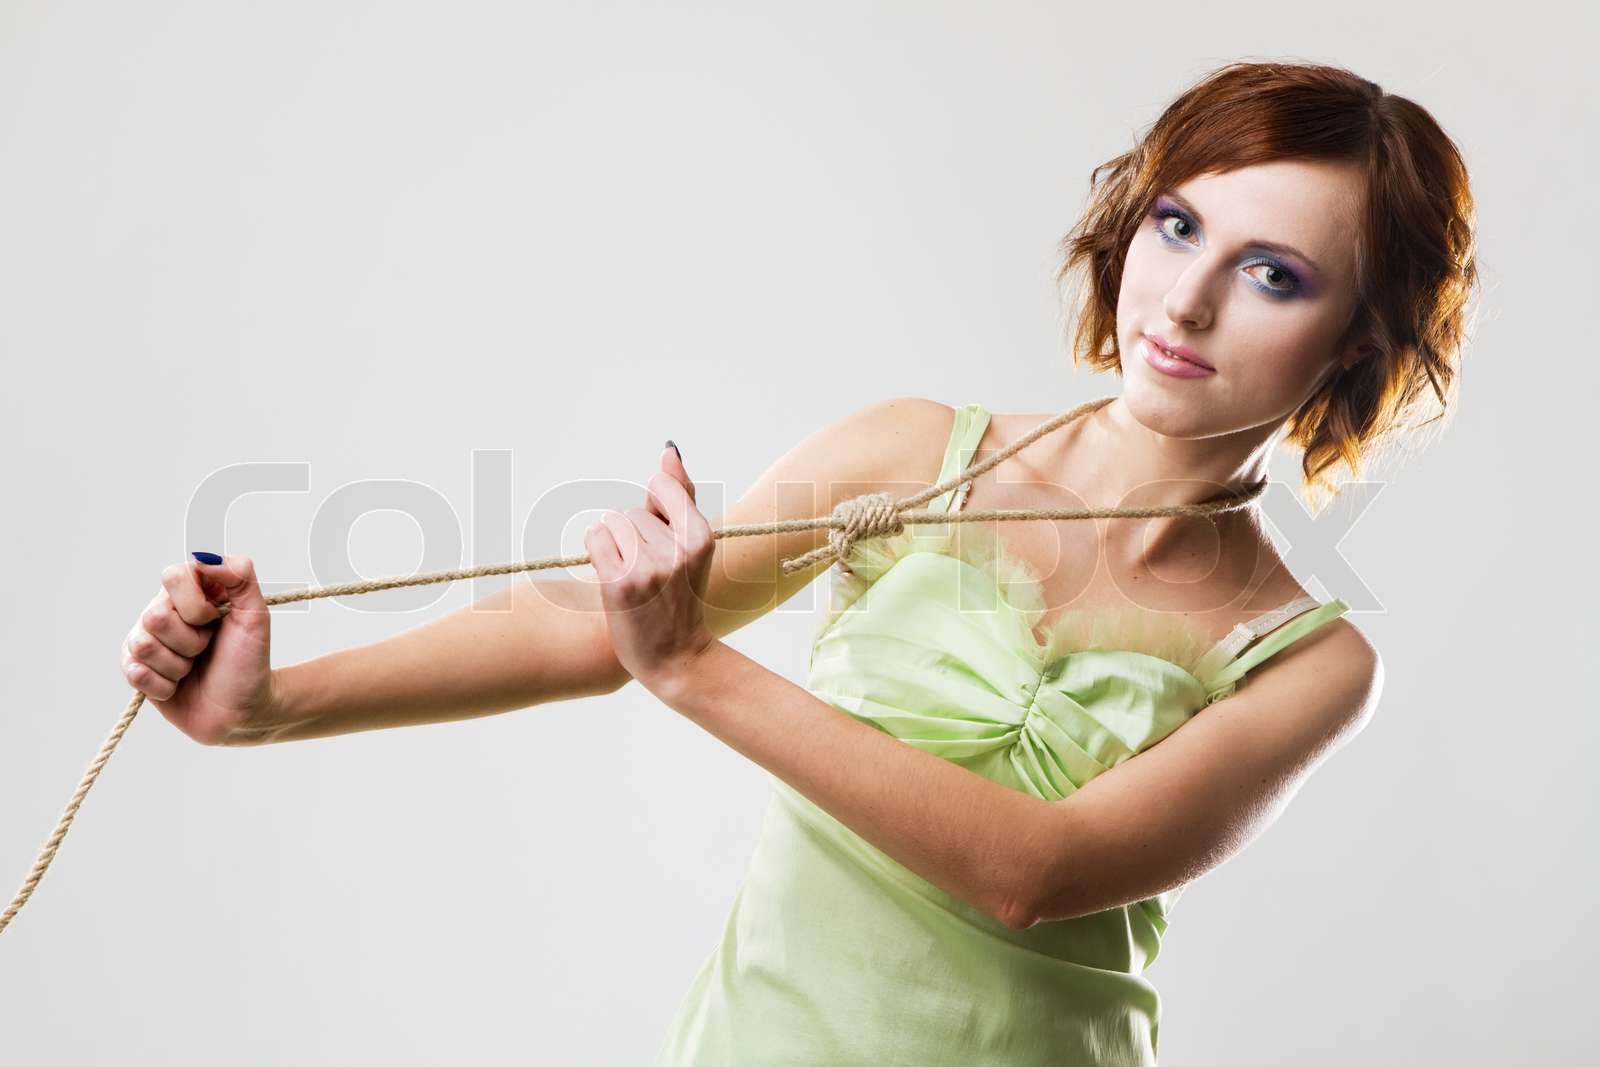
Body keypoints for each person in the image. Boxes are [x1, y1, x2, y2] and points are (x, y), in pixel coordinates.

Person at [119, 59, 1478, 1064]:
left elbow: (1036, 871)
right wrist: (266, 706)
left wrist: (694, 670)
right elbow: (591, 628)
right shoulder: (912, 453)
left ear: (1361, 341)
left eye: (1273, 274)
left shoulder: (1312, 665)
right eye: (1178, 224)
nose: (1184, 298)